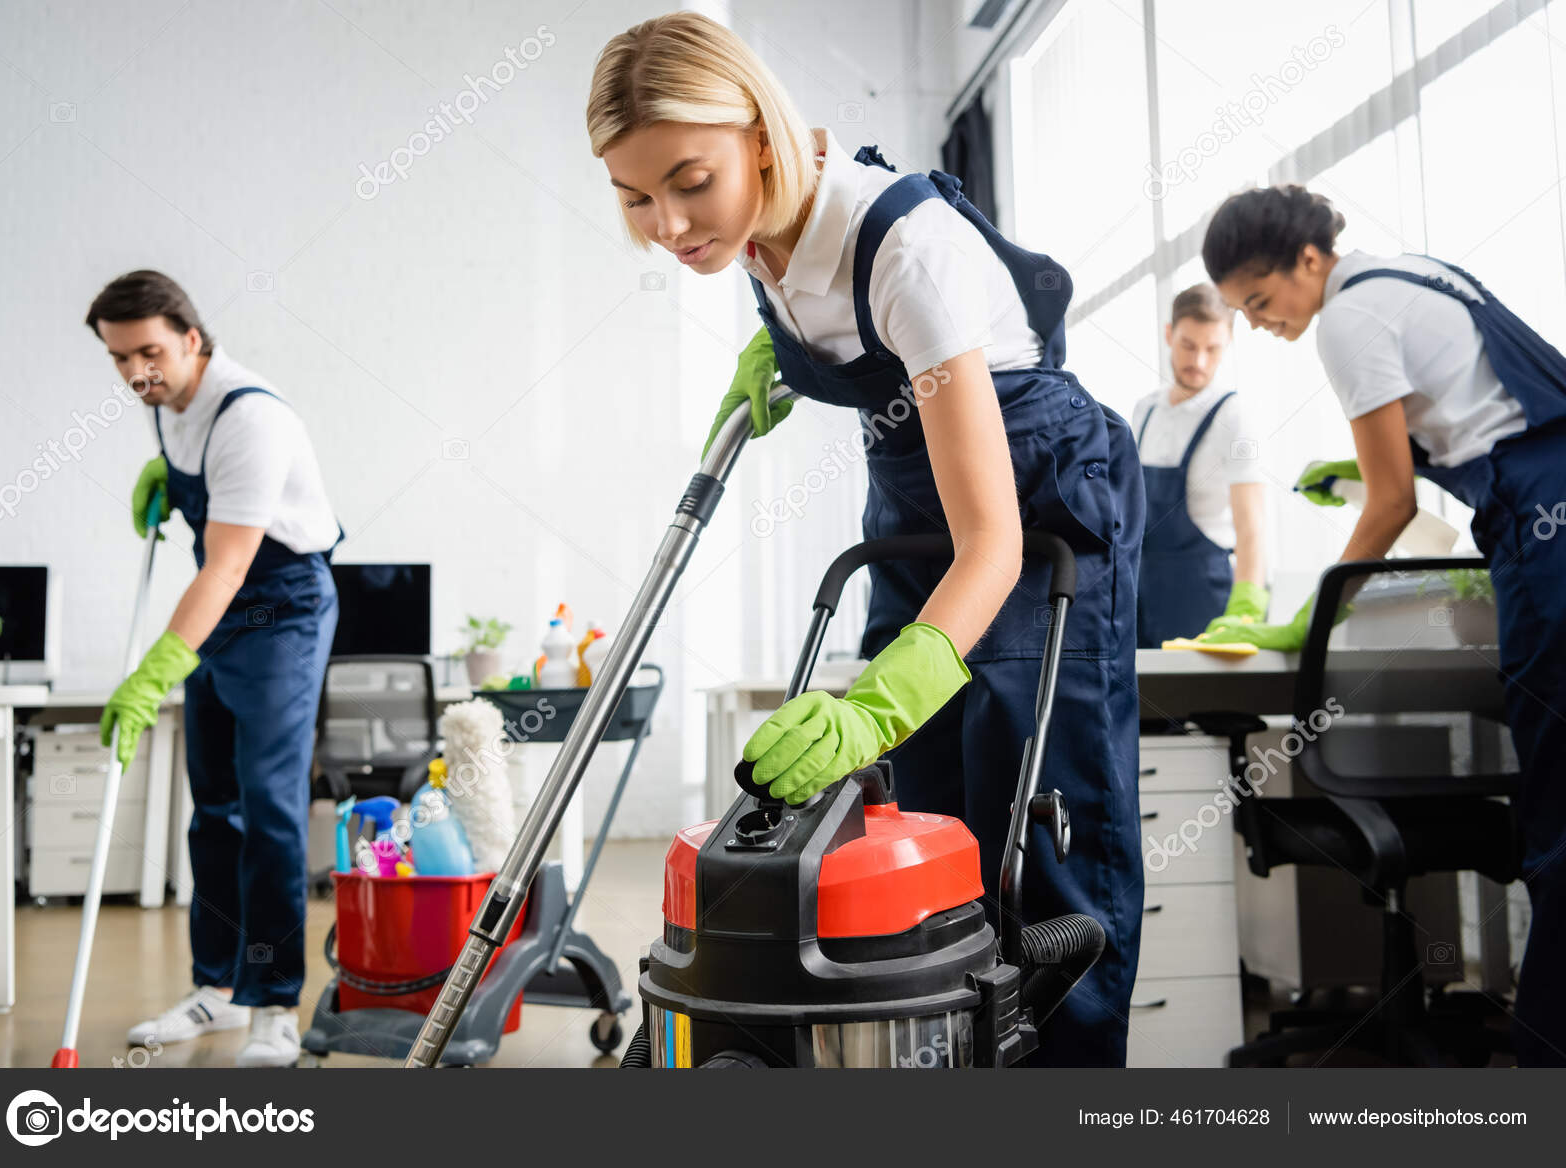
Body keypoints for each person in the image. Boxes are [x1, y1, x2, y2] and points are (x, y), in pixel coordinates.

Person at [586, 12, 1145, 1065]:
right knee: (919, 834)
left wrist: (872, 703)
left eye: (688, 183)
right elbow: (818, 308)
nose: (666, 222)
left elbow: (994, 542)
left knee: (1038, 837)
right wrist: (778, 350)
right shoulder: (749, 232)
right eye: (634, 198)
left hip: (1031, 499)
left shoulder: (909, 250)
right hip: (911, 501)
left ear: (760, 135)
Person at [1200, 185, 1566, 1066]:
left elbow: (1394, 499)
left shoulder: (1346, 319)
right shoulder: (1418, 273)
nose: (1260, 324)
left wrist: (1315, 609)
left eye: (1259, 301)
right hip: (1548, 498)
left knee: (1557, 813)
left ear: (1310, 262)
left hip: (1547, 530)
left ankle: (1545, 1068)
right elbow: (1489, 415)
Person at [87, 271, 342, 1067]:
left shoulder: (250, 417)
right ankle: (221, 988)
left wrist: (155, 670)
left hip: (280, 605)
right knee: (215, 808)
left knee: (269, 807)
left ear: (192, 338)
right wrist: (172, 477)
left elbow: (228, 566)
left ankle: (273, 1005)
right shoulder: (173, 405)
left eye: (149, 353)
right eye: (120, 358)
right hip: (222, 610)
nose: (136, 374)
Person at [1131, 284, 1267, 646]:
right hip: (1144, 592)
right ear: (1168, 335)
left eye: (1213, 349)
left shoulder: (1234, 418)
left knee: (1209, 701)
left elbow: (1251, 531)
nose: (1199, 362)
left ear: (1229, 343)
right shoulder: (1145, 410)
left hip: (1205, 596)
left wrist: (1246, 609)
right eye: (1189, 346)